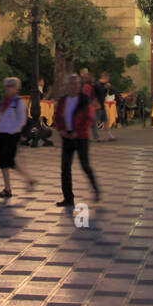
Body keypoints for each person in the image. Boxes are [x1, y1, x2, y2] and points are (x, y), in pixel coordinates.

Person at [53, 74, 100, 207]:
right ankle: (68, 198)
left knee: (85, 165)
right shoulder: (63, 100)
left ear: (80, 85)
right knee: (65, 168)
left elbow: (89, 118)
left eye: (77, 84)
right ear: (68, 85)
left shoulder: (84, 100)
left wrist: (77, 132)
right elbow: (57, 116)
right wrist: (61, 130)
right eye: (72, 84)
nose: (75, 86)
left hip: (81, 138)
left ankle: (96, 189)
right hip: (67, 137)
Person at [0, 77, 34, 198]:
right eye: (6, 86)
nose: (7, 89)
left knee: (10, 162)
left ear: (16, 89)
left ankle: (27, 180)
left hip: (12, 135)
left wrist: (14, 132)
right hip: (2, 134)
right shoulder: (4, 102)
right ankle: (8, 188)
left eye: (10, 86)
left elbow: (22, 120)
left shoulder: (18, 102)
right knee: (3, 162)